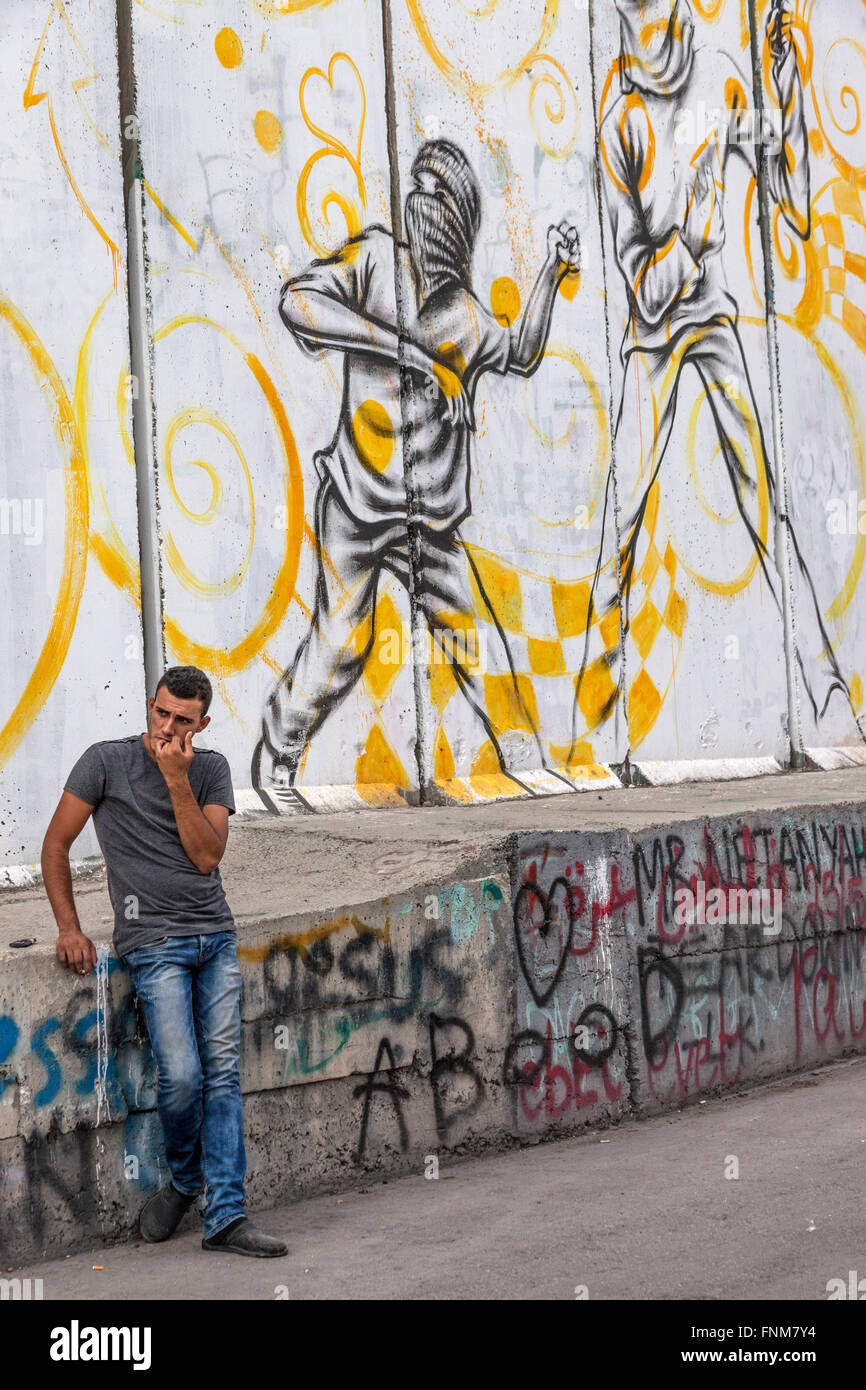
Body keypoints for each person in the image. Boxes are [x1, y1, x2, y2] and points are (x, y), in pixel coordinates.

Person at [569, 0, 865, 760]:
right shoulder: (621, 125)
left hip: (711, 319)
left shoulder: (726, 87)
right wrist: (697, 238)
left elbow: (793, 199)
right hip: (653, 336)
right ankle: (587, 737)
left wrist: (787, 84)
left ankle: (830, 701)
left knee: (767, 507)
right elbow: (643, 290)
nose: (640, 37)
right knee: (622, 528)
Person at [253, 138, 581, 811]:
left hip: (428, 518)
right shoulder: (375, 260)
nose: (423, 201)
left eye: (439, 191)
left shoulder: (465, 315)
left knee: (469, 639)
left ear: (459, 214)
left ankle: (525, 764)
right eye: (419, 186)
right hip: (356, 499)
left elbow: (518, 353)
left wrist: (551, 270)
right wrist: (410, 353)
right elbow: (297, 303)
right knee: (342, 638)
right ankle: (275, 766)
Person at [41, 665, 287, 1258]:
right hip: (153, 945)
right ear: (149, 705)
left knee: (223, 1076)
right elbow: (55, 844)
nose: (167, 726)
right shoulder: (105, 762)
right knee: (182, 1076)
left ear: (201, 723)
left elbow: (207, 857)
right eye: (161, 713)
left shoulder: (209, 770)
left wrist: (177, 780)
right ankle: (183, 1180)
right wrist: (69, 927)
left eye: (183, 719)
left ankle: (226, 1215)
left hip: (214, 938)